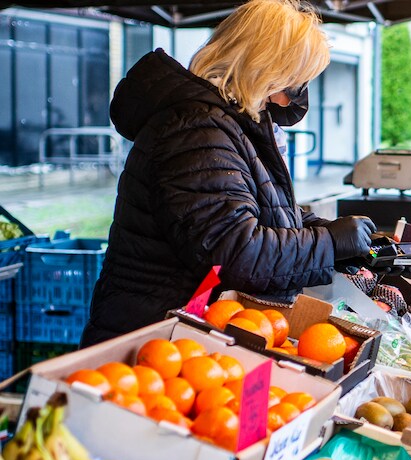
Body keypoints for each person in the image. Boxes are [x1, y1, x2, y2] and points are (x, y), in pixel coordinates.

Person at [82, 0, 376, 346]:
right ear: (264, 69)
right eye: (292, 84)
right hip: (153, 344)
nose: (286, 102)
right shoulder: (195, 131)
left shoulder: (224, 124)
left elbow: (255, 207)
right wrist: (327, 244)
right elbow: (236, 251)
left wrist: (324, 231)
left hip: (192, 337)